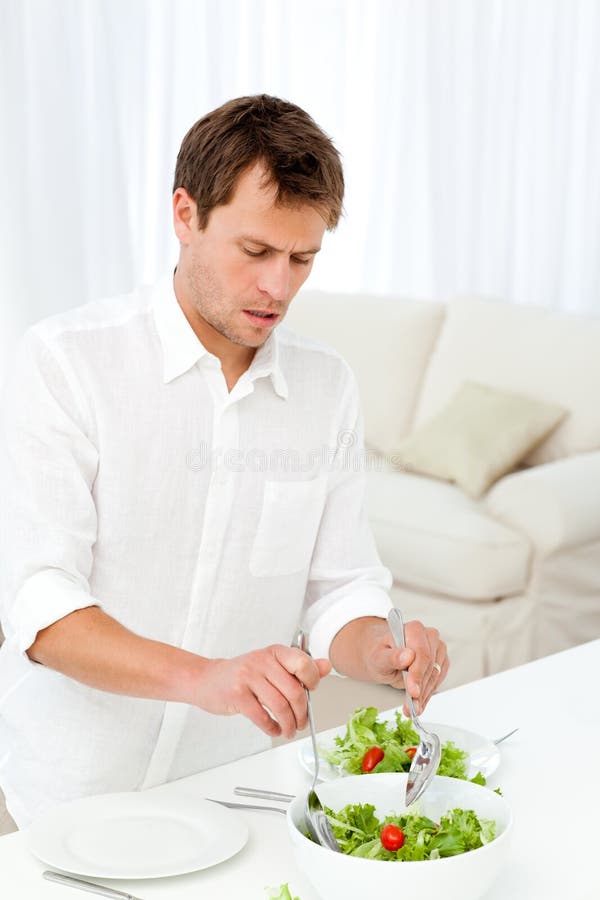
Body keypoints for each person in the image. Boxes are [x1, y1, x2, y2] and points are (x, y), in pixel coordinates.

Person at [0, 94, 448, 829]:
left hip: (235, 791)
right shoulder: (66, 363)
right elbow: (41, 608)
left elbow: (338, 586)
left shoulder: (325, 385)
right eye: (256, 252)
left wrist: (382, 650)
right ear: (186, 214)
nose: (279, 286)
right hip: (68, 795)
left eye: (302, 258)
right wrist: (207, 677)